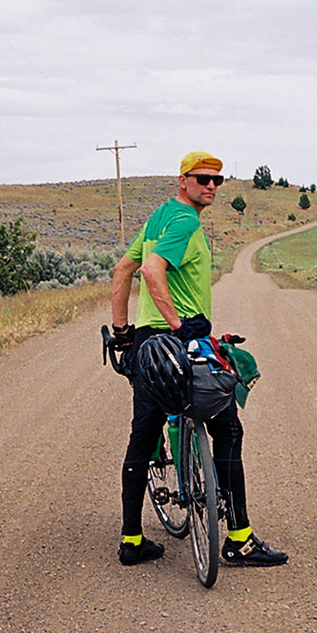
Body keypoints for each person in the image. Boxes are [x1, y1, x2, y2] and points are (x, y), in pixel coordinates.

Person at [109, 150, 288, 569]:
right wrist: (177, 325)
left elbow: (122, 271)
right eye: (202, 179)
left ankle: (131, 540)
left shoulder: (160, 218)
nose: (210, 186)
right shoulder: (186, 221)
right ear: (183, 180)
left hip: (146, 346)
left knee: (142, 435)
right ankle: (239, 539)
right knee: (227, 427)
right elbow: (151, 270)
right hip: (179, 341)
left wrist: (123, 335)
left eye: (217, 181)